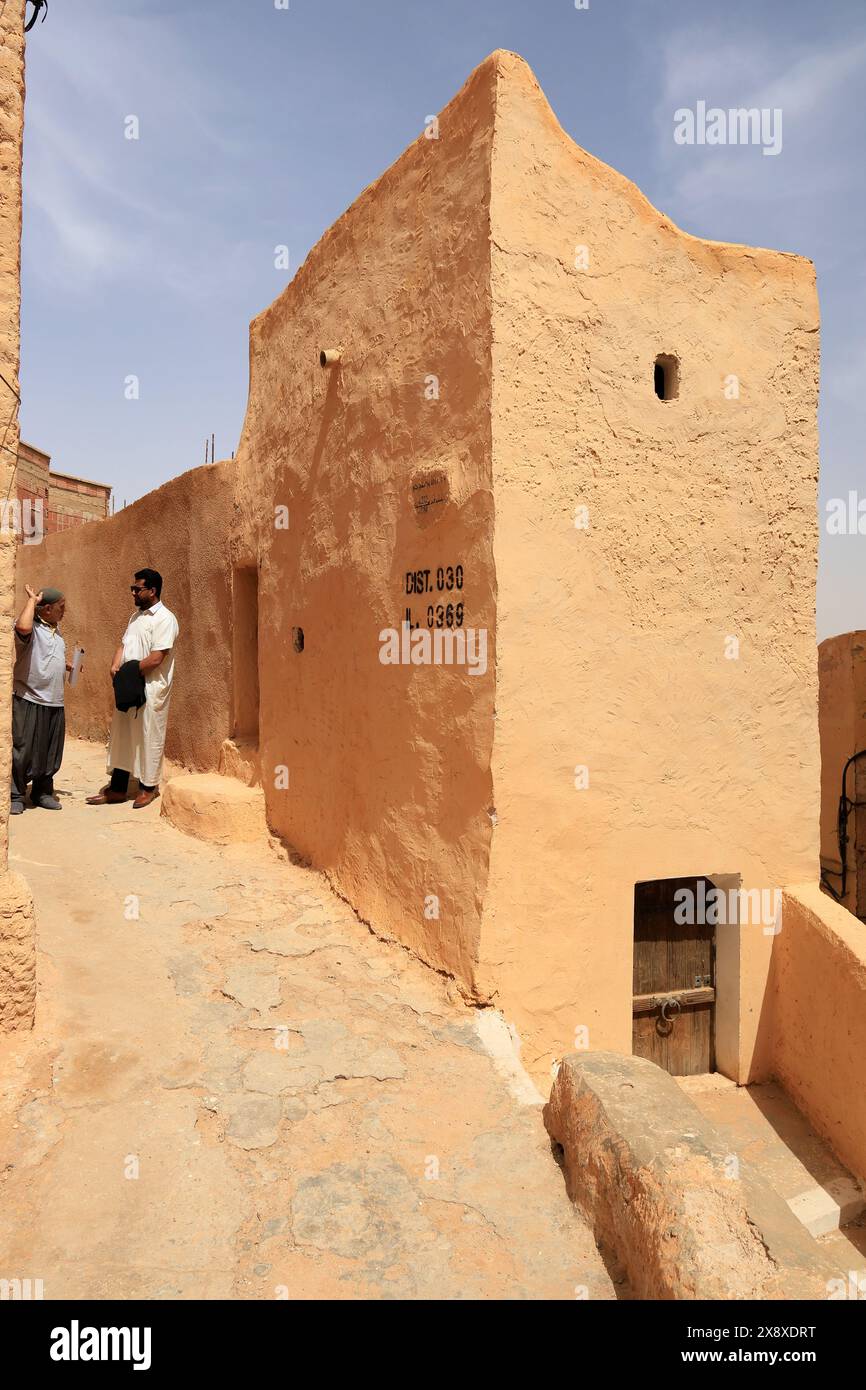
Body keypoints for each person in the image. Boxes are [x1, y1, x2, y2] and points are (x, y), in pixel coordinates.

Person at [86, 569, 179, 810]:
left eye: (137, 589)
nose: (133, 593)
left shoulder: (165, 619)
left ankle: (148, 788)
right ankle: (117, 788)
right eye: (133, 588)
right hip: (129, 687)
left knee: (148, 737)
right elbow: (124, 644)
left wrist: (129, 672)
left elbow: (158, 657)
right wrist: (116, 665)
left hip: (150, 689)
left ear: (153, 591)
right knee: (122, 735)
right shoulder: (135, 617)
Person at [11, 584, 71, 813]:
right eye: (60, 607)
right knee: (23, 749)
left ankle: (42, 792)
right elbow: (23, 627)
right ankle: (15, 794)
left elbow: (45, 657)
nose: (64, 611)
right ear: (45, 609)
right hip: (29, 699)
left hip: (54, 702)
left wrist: (66, 665)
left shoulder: (56, 631)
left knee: (50, 751)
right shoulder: (32, 628)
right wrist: (31, 601)